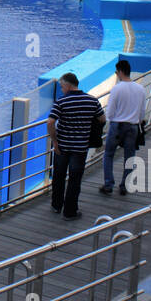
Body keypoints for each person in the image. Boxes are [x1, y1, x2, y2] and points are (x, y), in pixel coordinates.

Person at [47, 72, 101, 220]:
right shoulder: (92, 100)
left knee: (58, 176)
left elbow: (50, 122)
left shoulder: (61, 102)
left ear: (67, 85)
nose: (61, 90)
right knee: (74, 180)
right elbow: (102, 118)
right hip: (80, 147)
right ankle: (70, 212)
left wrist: (55, 141)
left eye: (62, 87)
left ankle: (56, 205)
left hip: (62, 147)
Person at [101, 60, 146, 196]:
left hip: (117, 125)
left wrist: (109, 123)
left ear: (120, 71)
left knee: (108, 154)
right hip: (133, 127)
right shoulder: (140, 89)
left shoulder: (117, 88)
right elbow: (142, 112)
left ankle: (108, 184)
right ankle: (124, 186)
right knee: (129, 157)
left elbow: (110, 111)